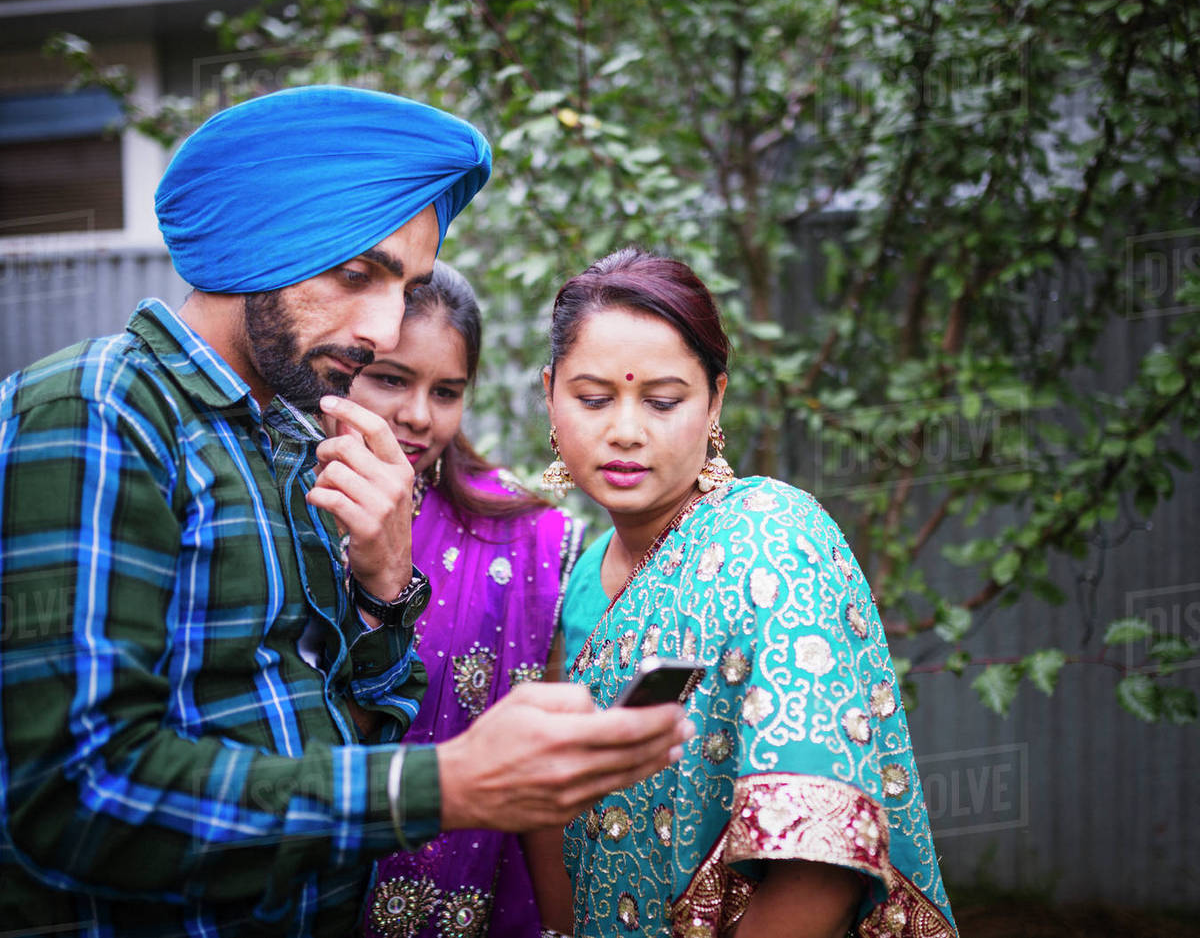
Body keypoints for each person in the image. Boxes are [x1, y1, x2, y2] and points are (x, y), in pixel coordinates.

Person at [0, 89, 690, 938]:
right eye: (356, 273)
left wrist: (384, 588)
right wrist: (451, 783)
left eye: (405, 284)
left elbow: (342, 735)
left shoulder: (288, 445)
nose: (383, 326)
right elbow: (77, 794)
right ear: (260, 236)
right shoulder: (102, 407)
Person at [541, 248, 958, 938]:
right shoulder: (579, 577)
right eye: (593, 398)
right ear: (549, 393)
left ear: (716, 402)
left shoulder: (769, 541)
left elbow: (819, 862)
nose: (624, 431)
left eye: (663, 400)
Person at [347, 261, 586, 938]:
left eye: (446, 391)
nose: (418, 415)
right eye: (391, 378)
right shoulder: (277, 512)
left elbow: (544, 781)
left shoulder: (525, 541)